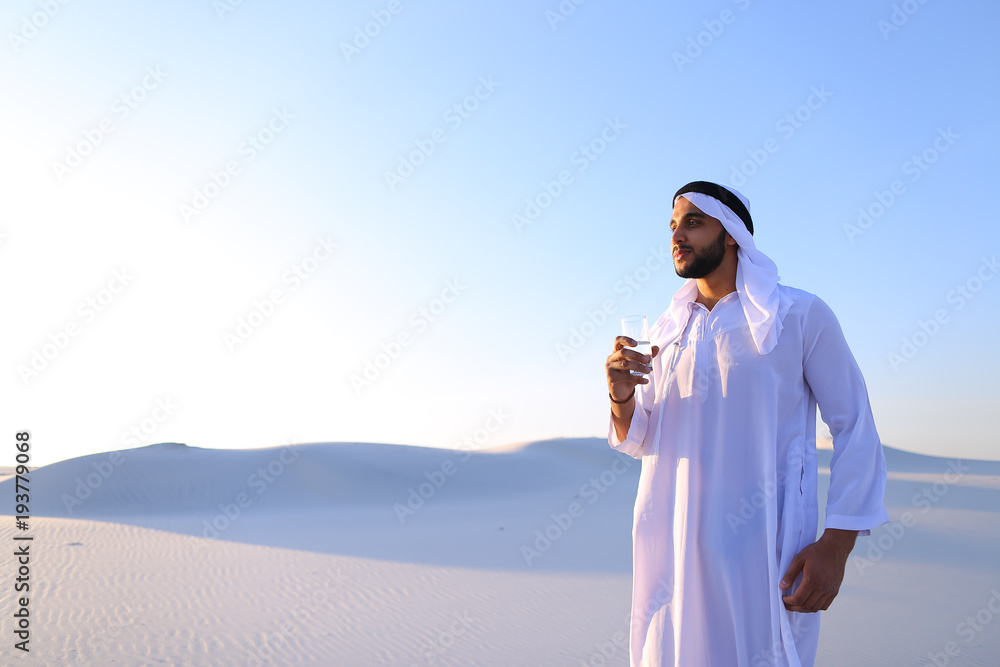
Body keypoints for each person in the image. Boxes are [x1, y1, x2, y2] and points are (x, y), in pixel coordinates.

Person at [605, 181, 889, 667]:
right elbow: (641, 439)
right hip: (671, 556)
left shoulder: (797, 315)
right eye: (673, 226)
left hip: (763, 558)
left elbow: (855, 425)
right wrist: (620, 395)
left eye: (693, 222)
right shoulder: (665, 332)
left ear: (732, 233)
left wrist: (837, 545)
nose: (678, 236)